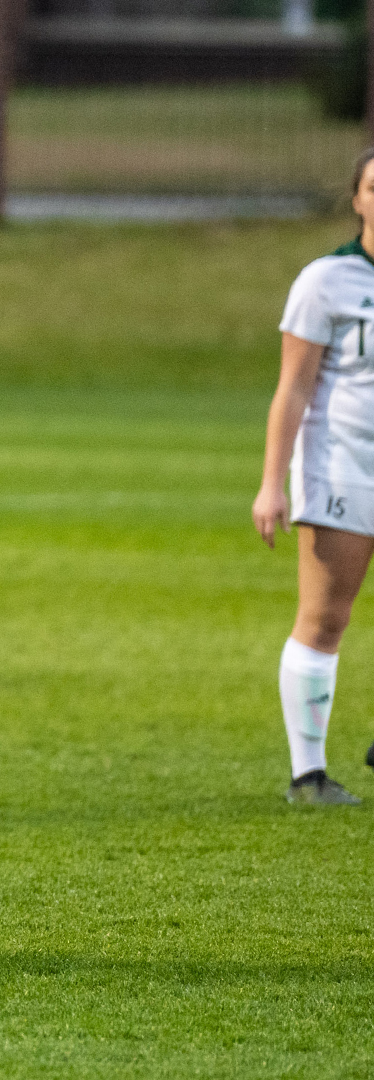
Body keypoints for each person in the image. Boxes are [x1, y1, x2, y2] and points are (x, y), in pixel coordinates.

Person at [252, 146, 374, 806]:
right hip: (343, 465)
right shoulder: (326, 282)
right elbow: (294, 390)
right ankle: (309, 775)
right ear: (356, 200)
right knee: (326, 616)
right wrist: (273, 483)